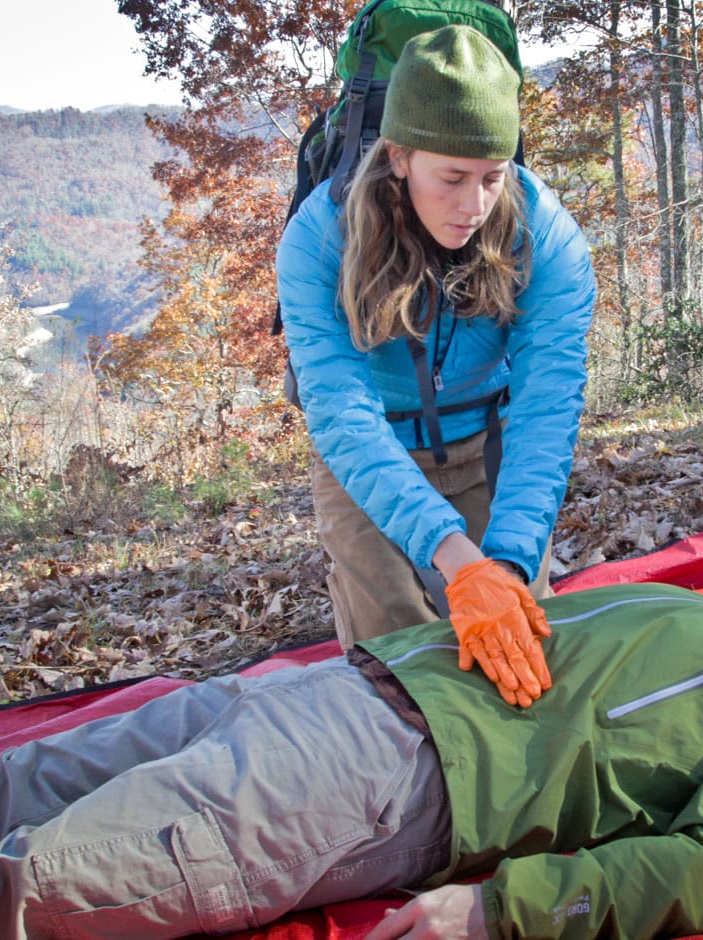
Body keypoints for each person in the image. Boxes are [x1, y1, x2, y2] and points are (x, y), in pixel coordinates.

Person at [0, 555, 703, 939]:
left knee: (39, 884)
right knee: (13, 782)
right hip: (335, 684)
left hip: (386, 776)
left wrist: (501, 909)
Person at [276, 24, 595, 706]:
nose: (474, 206)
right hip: (372, 451)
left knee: (522, 644)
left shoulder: (547, 235)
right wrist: (453, 560)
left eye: (491, 177)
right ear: (398, 156)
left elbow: (546, 406)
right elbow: (341, 413)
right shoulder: (319, 239)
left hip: (488, 440)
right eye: (450, 178)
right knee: (399, 661)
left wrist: (504, 563)